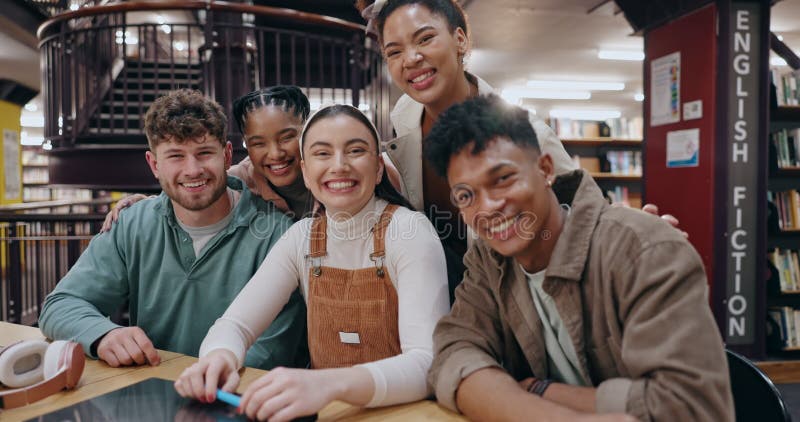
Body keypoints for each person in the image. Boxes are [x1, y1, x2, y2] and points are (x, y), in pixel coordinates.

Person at [423, 94, 733, 421]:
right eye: (466, 195)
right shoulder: (489, 261)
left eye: (502, 179)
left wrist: (538, 390)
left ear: (545, 169)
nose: (487, 207)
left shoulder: (643, 248)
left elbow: (692, 408)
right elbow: (453, 354)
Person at [354, 0, 681, 301]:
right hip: (434, 299)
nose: (410, 59)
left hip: (509, 302)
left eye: (425, 39)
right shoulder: (406, 118)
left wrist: (632, 235)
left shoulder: (524, 133)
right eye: (394, 52)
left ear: (460, 40)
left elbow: (585, 211)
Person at [174, 104, 449, 422]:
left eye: (355, 150)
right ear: (305, 171)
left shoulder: (410, 231)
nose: (339, 165)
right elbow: (235, 325)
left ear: (377, 168)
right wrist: (219, 357)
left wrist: (328, 384)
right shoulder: (302, 236)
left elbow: (426, 363)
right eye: (322, 153)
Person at [39, 89, 308, 371]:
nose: (192, 170)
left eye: (204, 153)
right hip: (147, 396)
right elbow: (61, 305)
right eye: (176, 156)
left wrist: (205, 383)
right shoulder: (132, 224)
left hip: (236, 397)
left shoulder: (279, 234)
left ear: (227, 156)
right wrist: (104, 334)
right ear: (154, 165)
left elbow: (273, 350)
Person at [101, 85, 313, 231]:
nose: (275, 154)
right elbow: (196, 184)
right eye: (258, 143)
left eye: (287, 138)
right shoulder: (242, 178)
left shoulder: (328, 172)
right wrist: (147, 203)